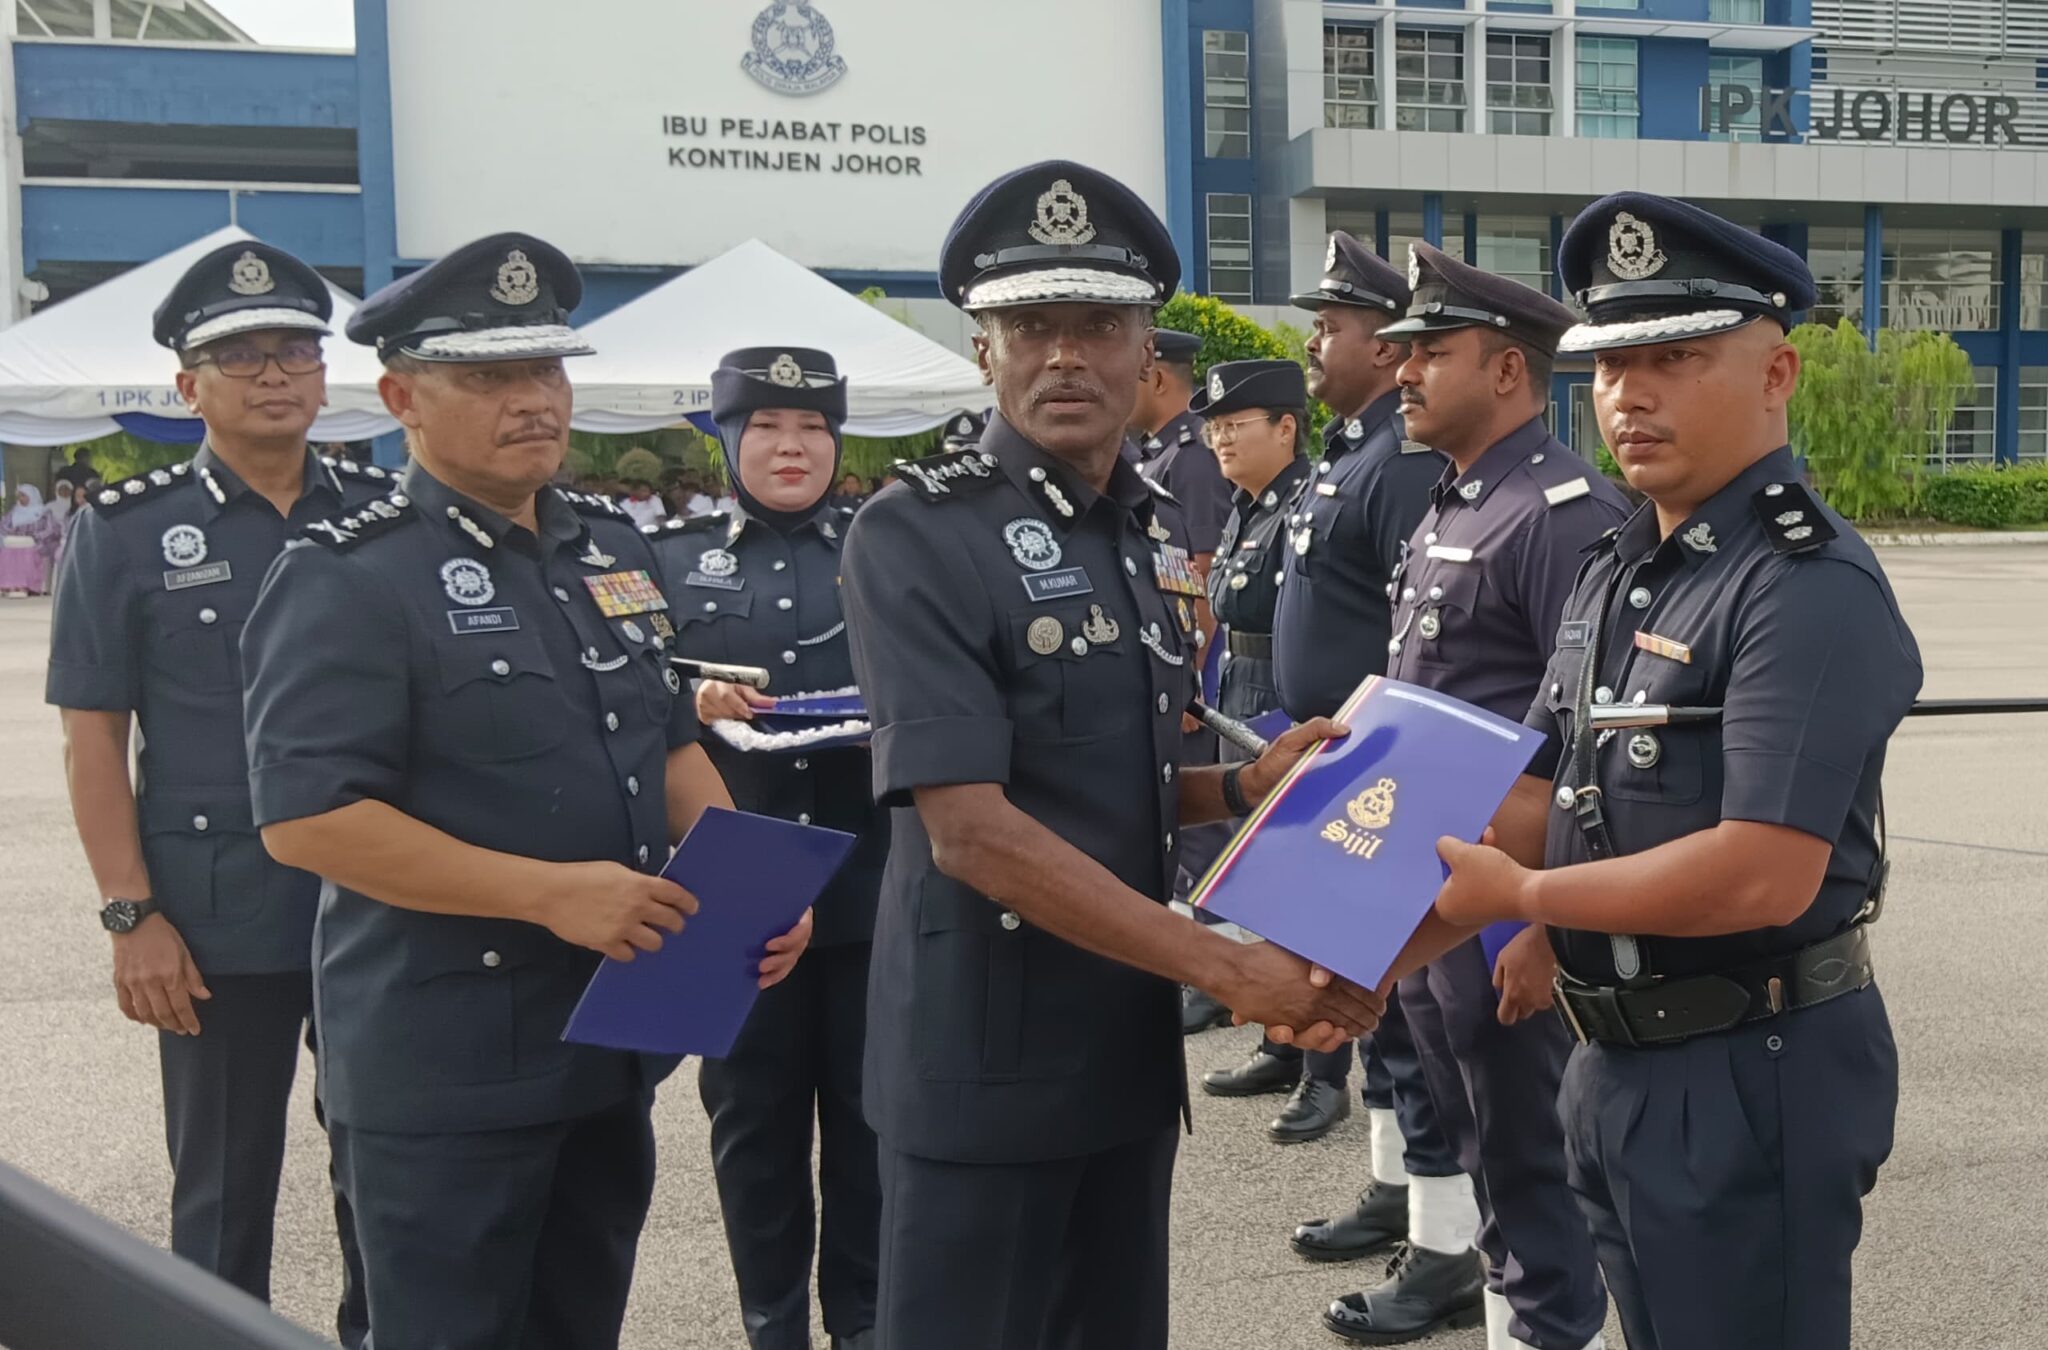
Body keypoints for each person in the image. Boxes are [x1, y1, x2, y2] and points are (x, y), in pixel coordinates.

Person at [839, 160, 1383, 1350]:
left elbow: (1103, 775)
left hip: (1114, 1058)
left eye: (1097, 324)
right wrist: (1226, 967)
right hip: (982, 1066)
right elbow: (969, 828)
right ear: (983, 352)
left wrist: (1240, 785)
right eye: (1031, 326)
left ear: (1150, 358)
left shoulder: (1134, 530)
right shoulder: (918, 534)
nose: (1066, 355)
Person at [237, 232, 813, 1350]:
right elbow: (307, 817)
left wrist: (755, 886)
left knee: (573, 1326)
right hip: (442, 1065)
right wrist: (547, 893)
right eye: (490, 378)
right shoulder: (349, 573)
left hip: (603, 1042)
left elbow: (661, 742)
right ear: (402, 395)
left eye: (545, 373)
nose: (532, 402)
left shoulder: (603, 552)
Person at [1420, 192, 1920, 1350]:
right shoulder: (1620, 566)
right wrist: (1367, 787)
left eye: (1675, 358)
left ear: (1775, 373)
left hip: (1751, 1066)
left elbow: (1759, 875)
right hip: (1617, 1060)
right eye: (1607, 365)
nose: (1627, 396)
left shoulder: (1802, 585)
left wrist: (1528, 902)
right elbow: (1544, 798)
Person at [44, 239, 379, 1345]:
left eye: (294, 350)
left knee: (390, 1169)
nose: (274, 374)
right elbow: (95, 743)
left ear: (326, 377)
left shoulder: (387, 515)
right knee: (224, 1193)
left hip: (385, 903)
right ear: (188, 388)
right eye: (240, 357)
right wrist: (130, 915)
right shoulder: (126, 532)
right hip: (215, 914)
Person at [1319, 243, 1627, 1349]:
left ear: (1505, 370)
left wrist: (1543, 918)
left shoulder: (1557, 516)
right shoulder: (1455, 503)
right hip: (1425, 889)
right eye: (1399, 353)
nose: (1401, 372)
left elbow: (1585, 750)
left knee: (1533, 1168)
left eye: (1429, 354)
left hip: (1502, 903)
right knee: (1476, 1140)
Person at [647, 348, 885, 1350]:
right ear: (727, 438)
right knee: (752, 1131)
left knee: (874, 1130)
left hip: (868, 880)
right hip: (736, 890)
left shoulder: (884, 548)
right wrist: (684, 698)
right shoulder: (664, 559)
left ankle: (867, 1322)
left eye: (813, 428)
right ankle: (771, 1324)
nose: (792, 448)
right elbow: (624, 703)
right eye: (767, 429)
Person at [1260, 233, 1476, 1322]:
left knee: (1416, 1020)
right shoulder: (1351, 457)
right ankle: (1397, 1191)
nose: (1319, 341)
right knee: (1384, 1024)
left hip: (1393, 788)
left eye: (1336, 325)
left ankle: (1445, 1239)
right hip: (1345, 778)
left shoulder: (1399, 468)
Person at [1, 484, 58, 594]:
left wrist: (36, 536)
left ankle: (27, 585)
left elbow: (50, 529)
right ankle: (10, 585)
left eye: (23, 496)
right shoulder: (14, 511)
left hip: (36, 542)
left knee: (28, 553)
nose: (20, 499)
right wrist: (13, 532)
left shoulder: (43, 512)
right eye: (19, 496)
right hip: (16, 542)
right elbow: (3, 527)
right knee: (7, 552)